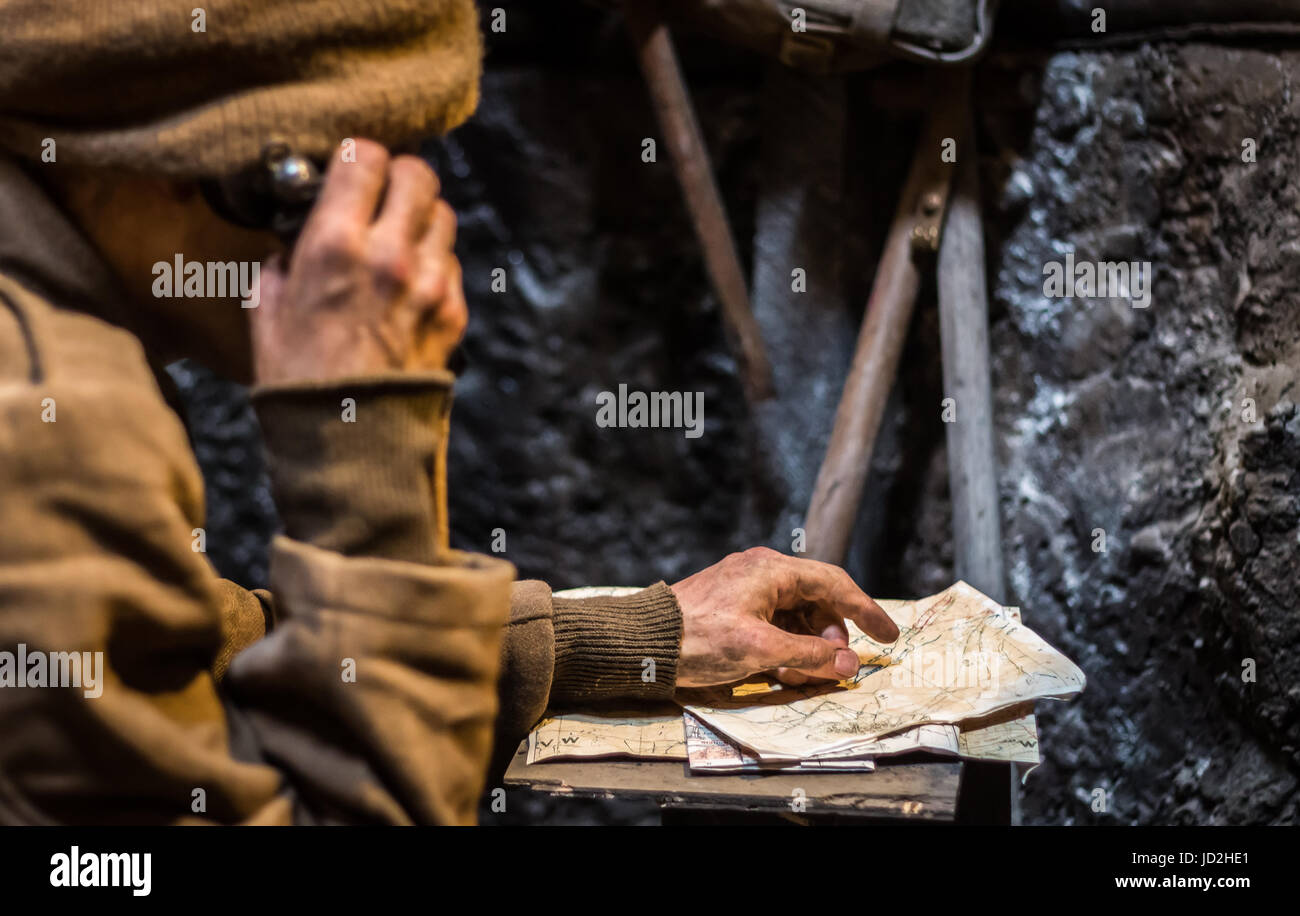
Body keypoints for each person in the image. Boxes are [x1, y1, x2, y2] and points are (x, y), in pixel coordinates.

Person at [0, 0, 898, 824]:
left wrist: (636, 639)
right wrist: (363, 438)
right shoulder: (56, 417)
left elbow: (203, 644)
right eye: (360, 174)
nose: (392, 235)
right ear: (235, 170)